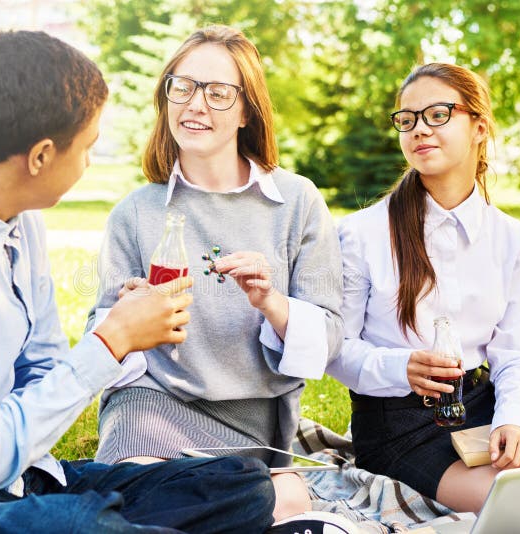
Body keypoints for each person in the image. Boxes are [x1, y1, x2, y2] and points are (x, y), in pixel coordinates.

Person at [0, 30, 279, 534]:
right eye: (87, 147)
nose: (89, 161)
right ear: (41, 156)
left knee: (241, 485)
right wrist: (113, 339)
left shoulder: (21, 221)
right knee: (84, 526)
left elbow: (41, 371)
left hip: (9, 474)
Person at [86, 25, 344, 522]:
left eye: (218, 93)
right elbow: (104, 350)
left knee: (269, 504)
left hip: (255, 424)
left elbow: (329, 339)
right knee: (146, 496)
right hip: (151, 406)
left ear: (247, 110)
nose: (195, 105)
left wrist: (272, 302)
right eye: (183, 87)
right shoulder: (134, 213)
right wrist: (127, 322)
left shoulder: (297, 202)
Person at [325, 62, 520, 513]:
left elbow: (516, 354)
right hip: (398, 429)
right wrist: (400, 367)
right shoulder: (362, 233)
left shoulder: (508, 237)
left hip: (483, 408)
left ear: (479, 127)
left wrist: (515, 420)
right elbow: (335, 349)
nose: (419, 129)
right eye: (407, 119)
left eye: (438, 114)